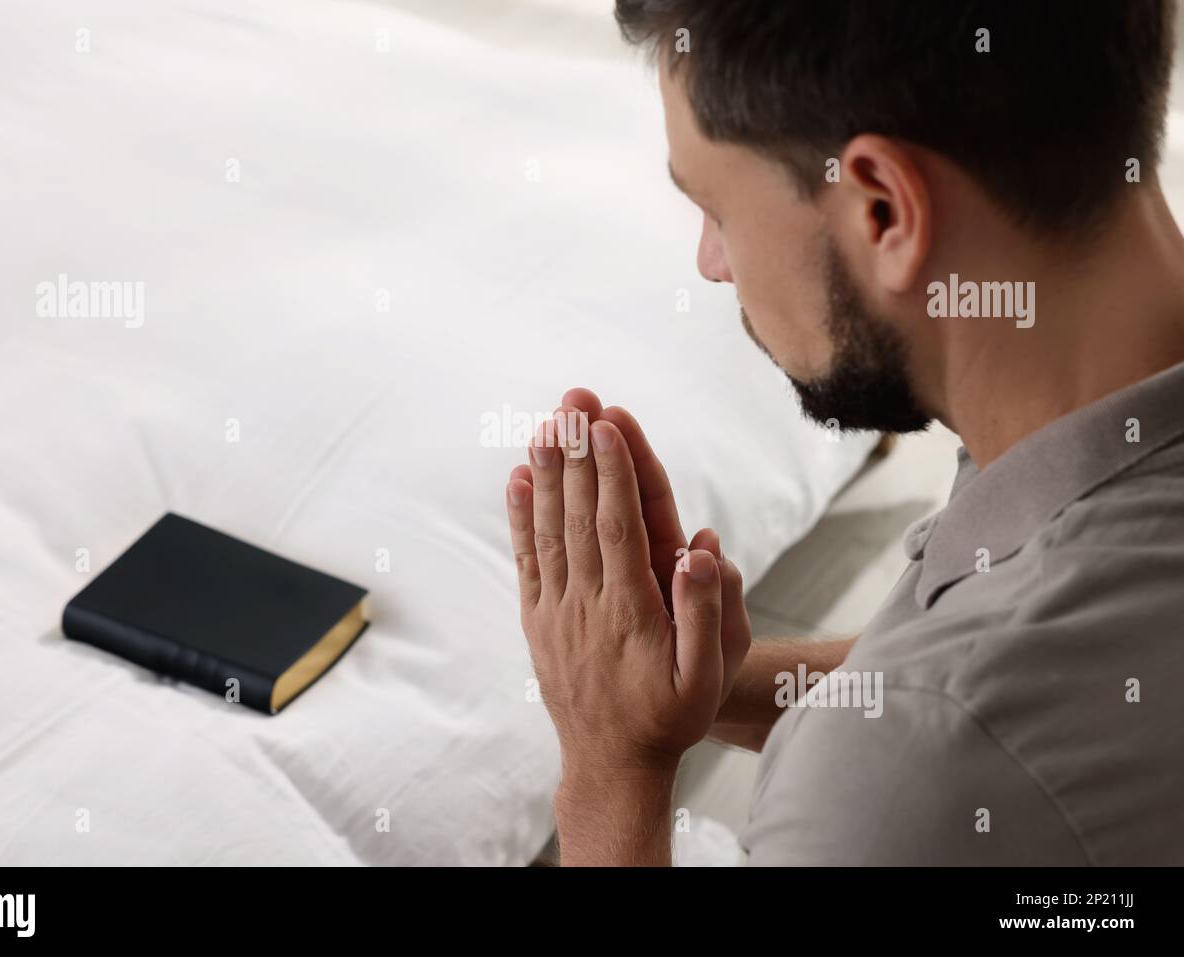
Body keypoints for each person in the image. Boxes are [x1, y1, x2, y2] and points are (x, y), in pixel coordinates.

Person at [503, 0, 1184, 865]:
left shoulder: (909, 776)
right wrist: (695, 688)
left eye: (714, 206)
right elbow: (1046, 706)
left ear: (884, 212)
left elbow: (949, 735)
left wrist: (610, 764)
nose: (710, 261)